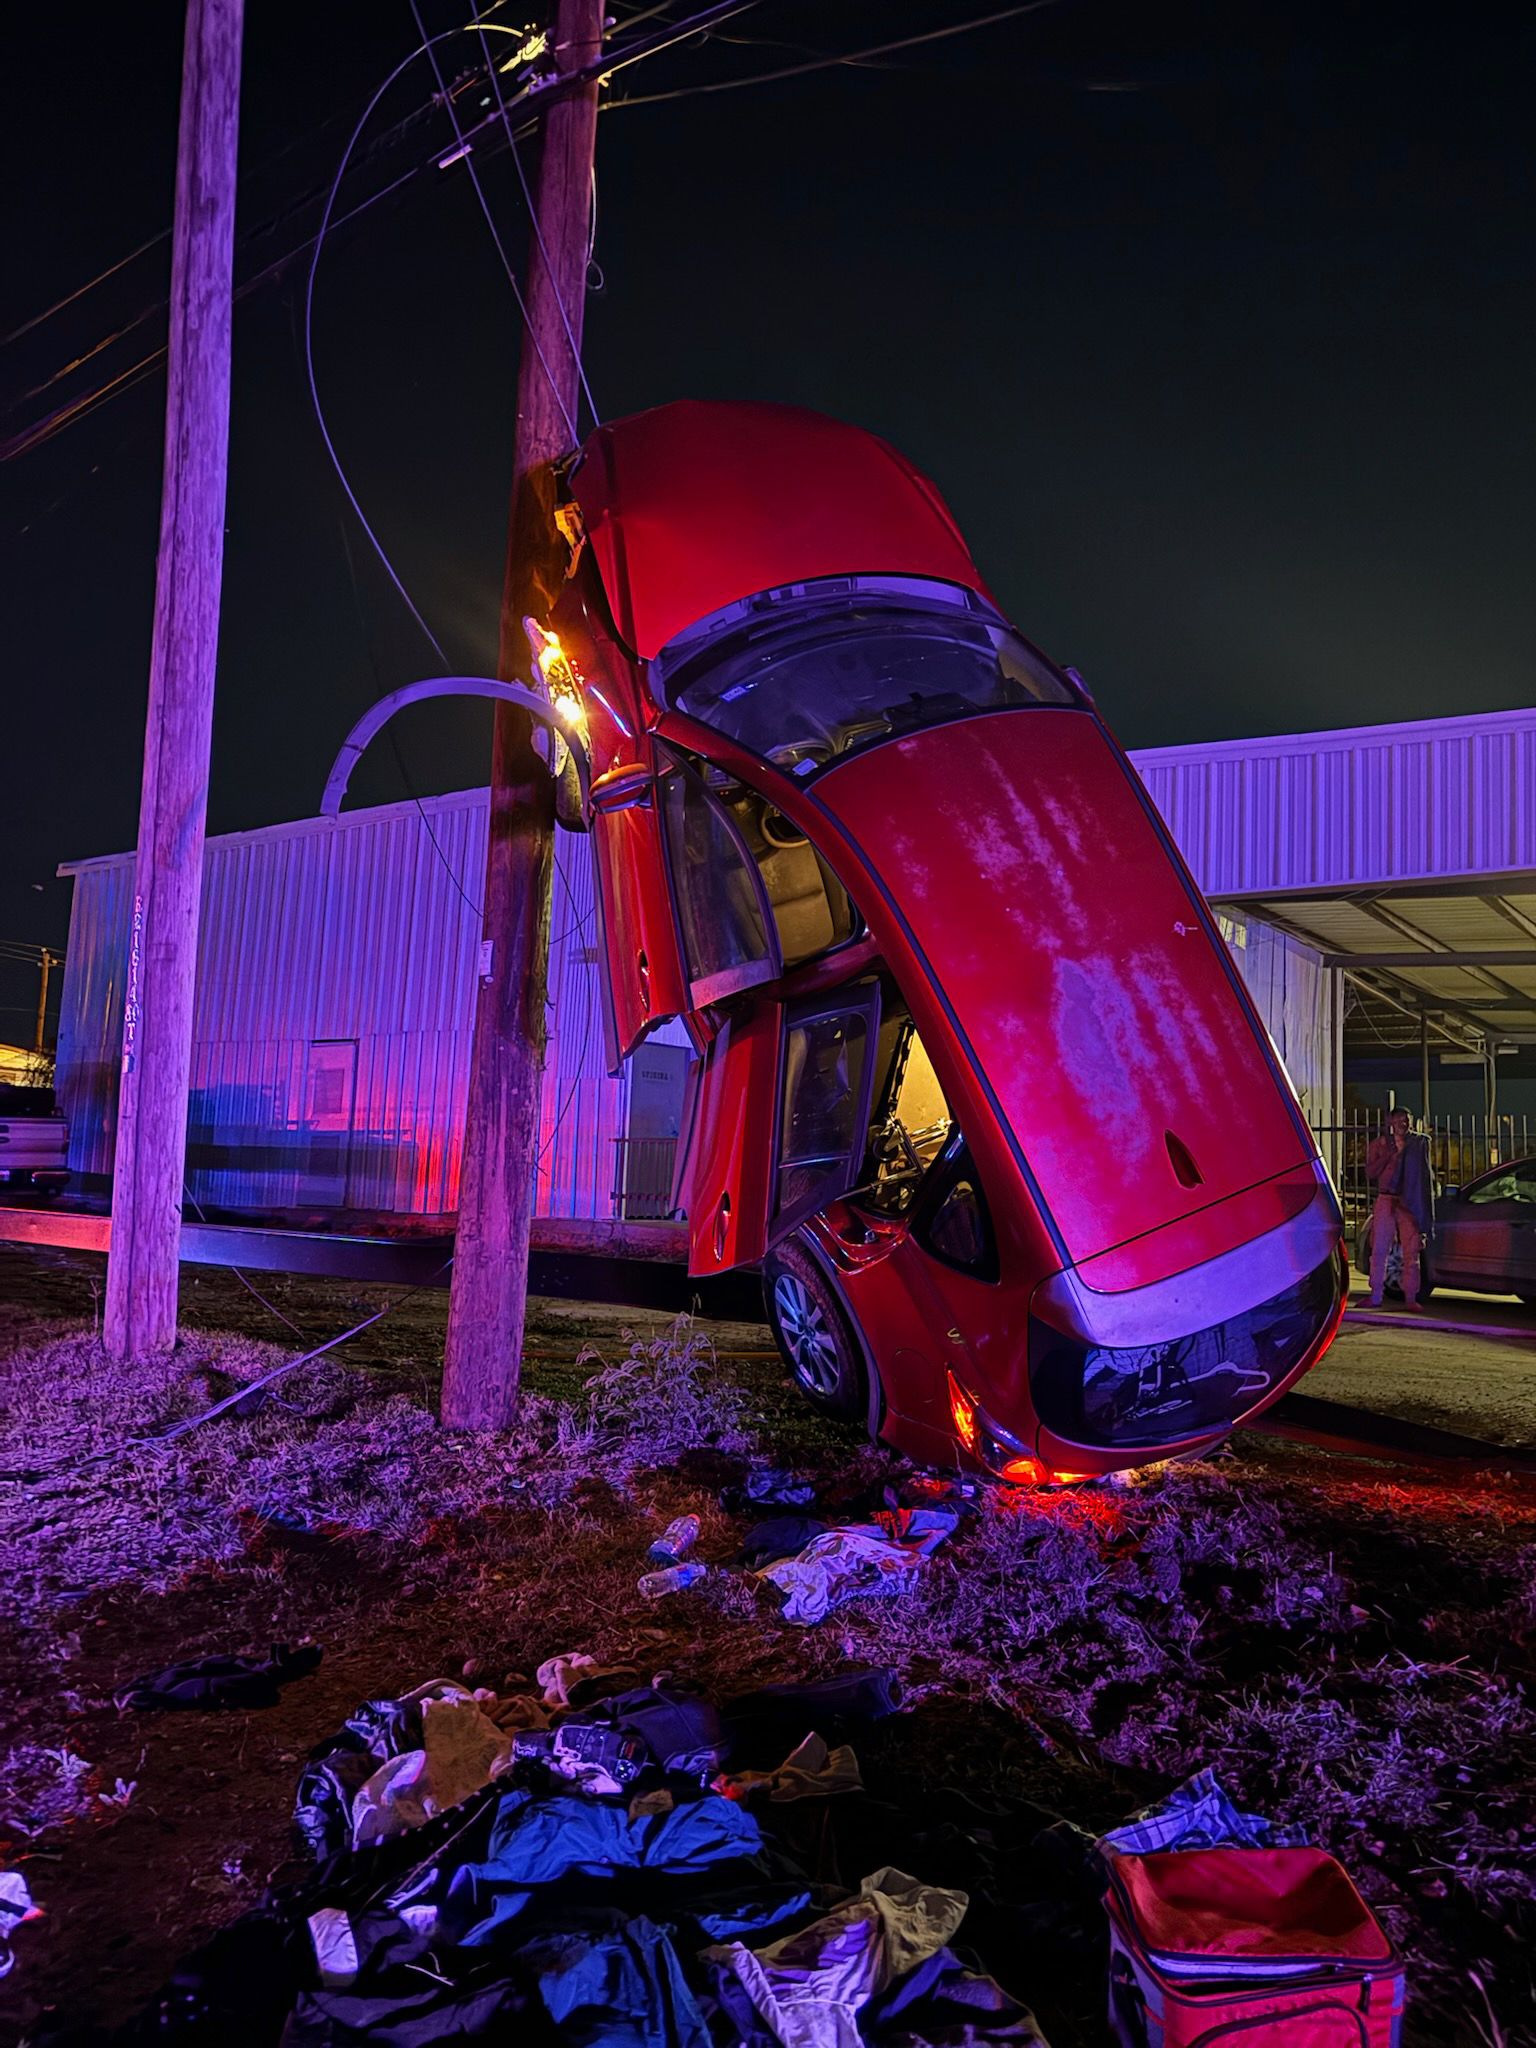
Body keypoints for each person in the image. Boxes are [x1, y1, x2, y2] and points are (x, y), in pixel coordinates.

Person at [1364, 1108, 1435, 1308]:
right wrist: (1389, 1155)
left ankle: (1411, 1297)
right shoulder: (1380, 1145)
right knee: (1379, 1249)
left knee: (1411, 1253)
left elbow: (1424, 1177)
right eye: (1399, 1119)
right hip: (1386, 1198)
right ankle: (1375, 1294)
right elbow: (1370, 1172)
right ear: (1390, 1121)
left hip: (1408, 1201)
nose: (1403, 1123)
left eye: (1407, 1119)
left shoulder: (1419, 1143)